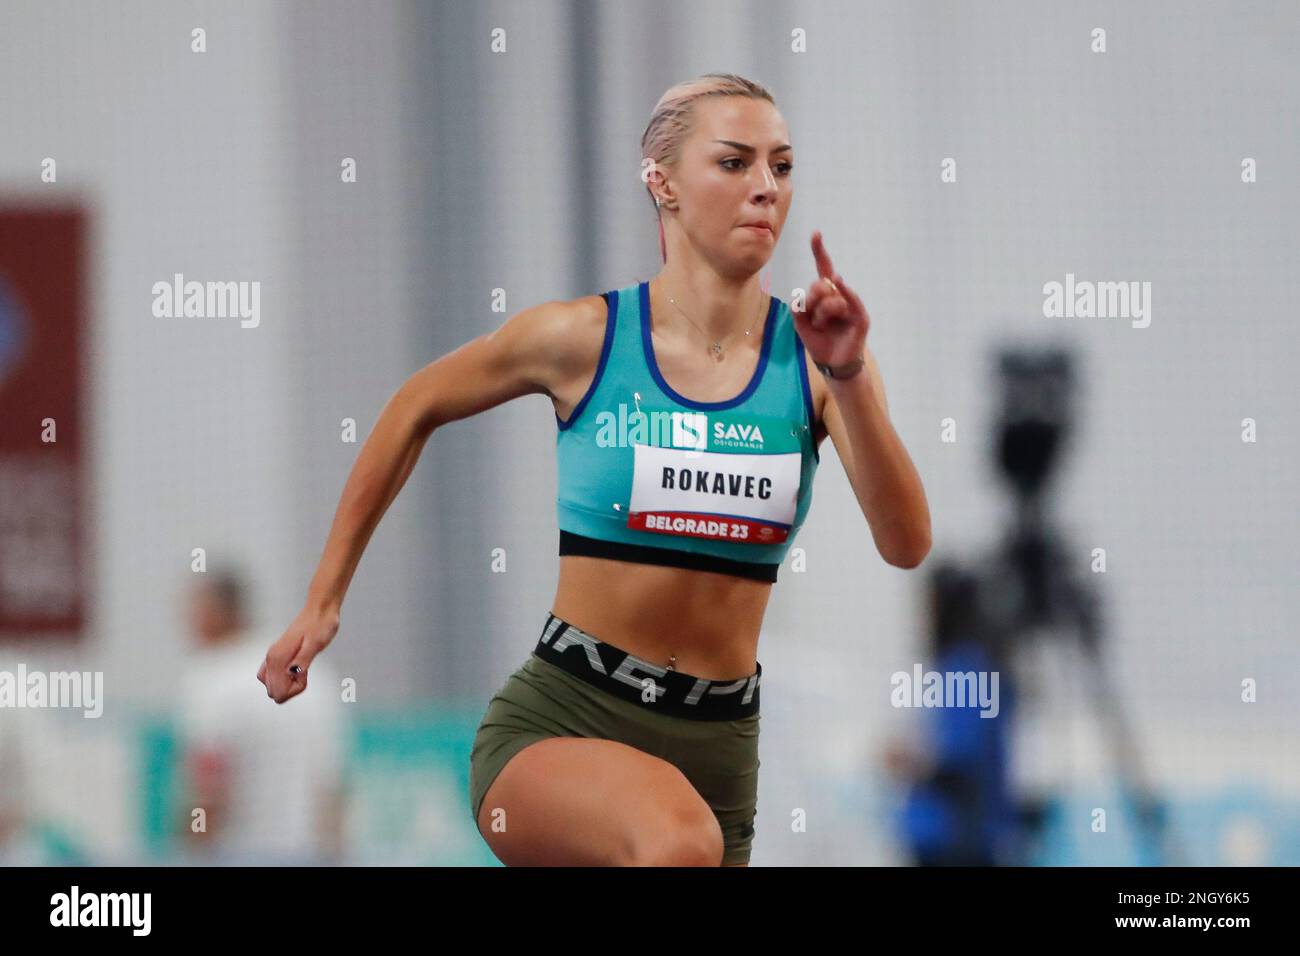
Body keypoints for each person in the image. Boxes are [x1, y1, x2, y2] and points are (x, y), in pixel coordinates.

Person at [259, 72, 931, 867]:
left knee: (685, 835)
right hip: (564, 722)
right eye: (734, 163)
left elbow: (905, 543)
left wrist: (850, 378)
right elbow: (414, 406)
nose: (764, 189)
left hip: (718, 757)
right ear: (663, 183)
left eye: (781, 167)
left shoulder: (819, 362)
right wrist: (324, 598)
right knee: (677, 839)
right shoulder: (582, 339)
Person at [178, 567, 347, 864]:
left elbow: (209, 792)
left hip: (240, 854)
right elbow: (331, 787)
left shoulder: (212, 679)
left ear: (215, 613)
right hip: (309, 855)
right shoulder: (312, 671)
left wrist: (191, 852)